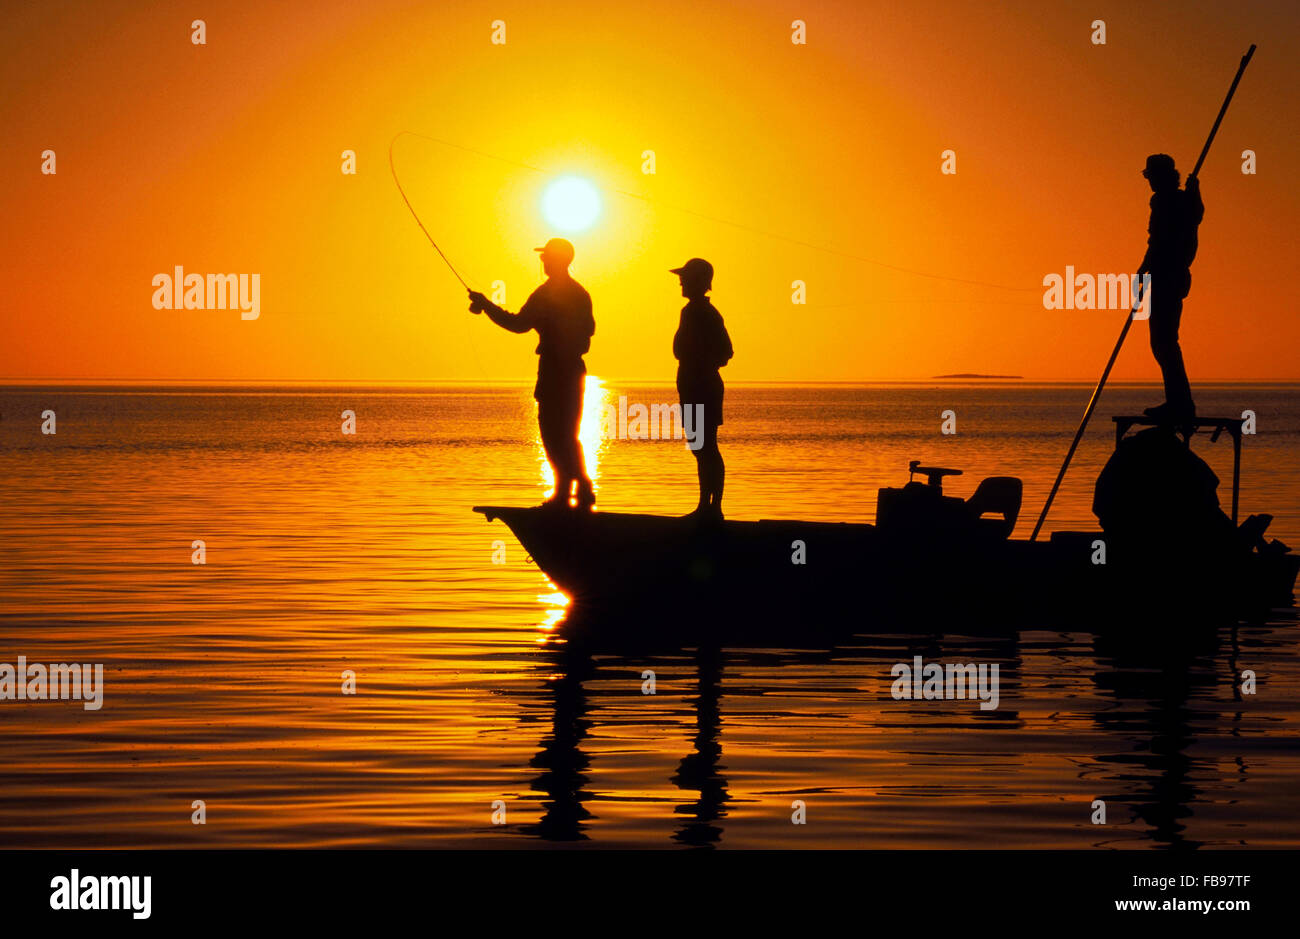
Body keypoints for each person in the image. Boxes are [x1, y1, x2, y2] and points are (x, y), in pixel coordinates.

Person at [468, 238, 596, 510]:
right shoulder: (580, 293)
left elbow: (517, 324)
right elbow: (589, 331)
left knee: (553, 434)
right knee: (566, 434)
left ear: (559, 260)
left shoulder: (547, 293)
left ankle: (569, 493)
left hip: (555, 372)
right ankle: (579, 490)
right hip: (573, 372)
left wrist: (486, 305)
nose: (543, 261)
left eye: (547, 257)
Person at [1137, 153, 1204, 423]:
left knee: (1163, 342)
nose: (1149, 181)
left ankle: (1180, 404)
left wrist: (1143, 271)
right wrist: (1194, 192)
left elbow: (1159, 239)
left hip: (1167, 276)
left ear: (1161, 176)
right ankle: (1179, 402)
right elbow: (1195, 216)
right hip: (1174, 276)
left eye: (1151, 176)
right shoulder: (1183, 200)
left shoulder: (1164, 200)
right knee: (1165, 342)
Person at [671, 258, 732, 520]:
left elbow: (726, 352)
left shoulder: (701, 313)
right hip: (695, 387)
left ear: (698, 281)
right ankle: (705, 506)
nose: (680, 281)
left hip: (701, 387)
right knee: (700, 446)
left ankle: (712, 508)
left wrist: (700, 363)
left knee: (705, 446)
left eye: (685, 276)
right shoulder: (696, 311)